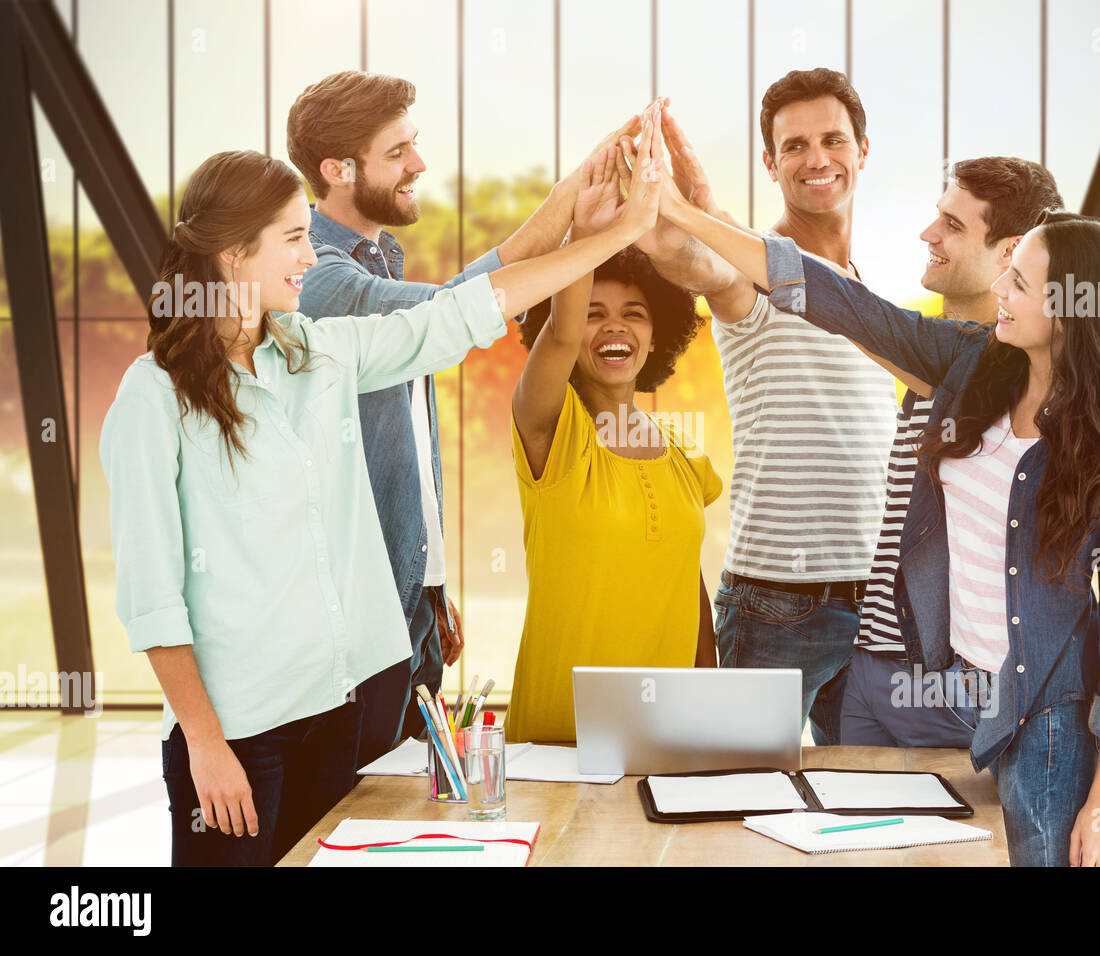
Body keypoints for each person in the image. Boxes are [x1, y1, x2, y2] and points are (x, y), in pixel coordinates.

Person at [100, 128, 662, 864]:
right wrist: (203, 743)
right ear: (233, 253)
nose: (310, 256)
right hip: (240, 733)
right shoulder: (153, 396)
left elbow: (456, 317)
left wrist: (614, 233)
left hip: (339, 713)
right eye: (293, 238)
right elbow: (152, 596)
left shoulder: (317, 353)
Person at [656, 187, 1100, 867]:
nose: (1000, 287)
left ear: (1070, 310)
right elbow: (839, 301)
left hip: (1049, 720)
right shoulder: (971, 364)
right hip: (948, 690)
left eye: (1018, 280)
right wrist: (680, 212)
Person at [286, 71, 643, 768]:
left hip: (408, 597)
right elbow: (451, 315)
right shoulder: (319, 277)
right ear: (338, 170)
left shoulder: (376, 260)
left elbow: (408, 443)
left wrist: (433, 581)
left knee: (406, 809)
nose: (418, 164)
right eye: (398, 152)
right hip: (360, 610)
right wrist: (588, 223)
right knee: (352, 812)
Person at [628, 70, 911, 746]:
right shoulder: (756, 275)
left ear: (863, 150)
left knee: (875, 815)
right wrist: (674, 202)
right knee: (740, 805)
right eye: (794, 146)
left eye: (833, 140)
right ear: (771, 163)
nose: (817, 159)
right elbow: (686, 257)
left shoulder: (872, 293)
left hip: (877, 605)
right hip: (778, 606)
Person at [505, 141, 722, 744]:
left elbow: (690, 586)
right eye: (595, 314)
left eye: (634, 313)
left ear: (657, 338)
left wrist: (710, 688)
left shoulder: (682, 454)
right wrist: (586, 234)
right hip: (561, 731)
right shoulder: (550, 427)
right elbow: (557, 335)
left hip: (668, 733)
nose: (615, 327)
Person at [842, 157, 1063, 748]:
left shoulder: (1019, 379)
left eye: (953, 225)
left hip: (951, 686)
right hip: (872, 660)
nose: (928, 234)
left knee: (958, 841)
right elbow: (855, 314)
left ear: (1011, 251)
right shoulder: (937, 351)